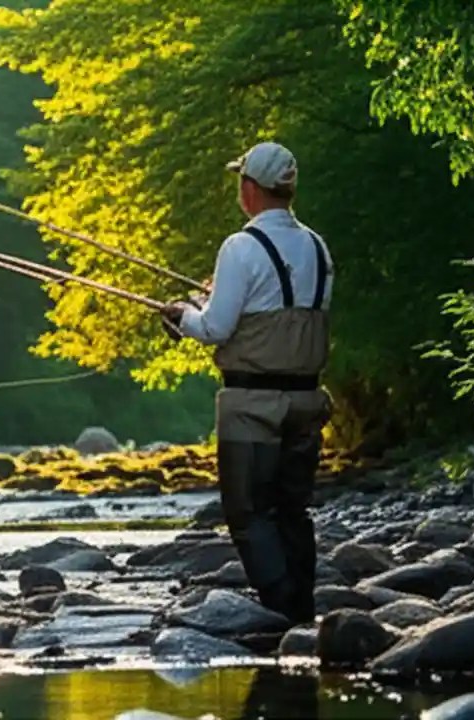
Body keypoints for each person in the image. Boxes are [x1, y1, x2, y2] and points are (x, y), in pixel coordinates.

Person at [160, 142, 334, 624]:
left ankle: (281, 608)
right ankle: (302, 606)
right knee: (291, 509)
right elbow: (271, 307)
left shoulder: (240, 247)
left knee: (248, 512)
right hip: (305, 400)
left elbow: (215, 328)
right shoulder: (317, 247)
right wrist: (206, 304)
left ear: (250, 189)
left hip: (252, 403)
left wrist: (180, 315)